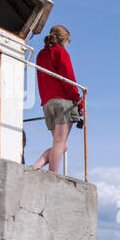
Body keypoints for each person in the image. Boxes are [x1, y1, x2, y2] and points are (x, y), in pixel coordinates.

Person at [31, 25, 83, 173]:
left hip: (47, 102)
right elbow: (69, 79)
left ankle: (36, 166)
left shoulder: (41, 54)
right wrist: (79, 101)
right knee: (61, 143)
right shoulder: (61, 53)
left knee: (60, 144)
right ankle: (52, 175)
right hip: (63, 102)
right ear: (64, 39)